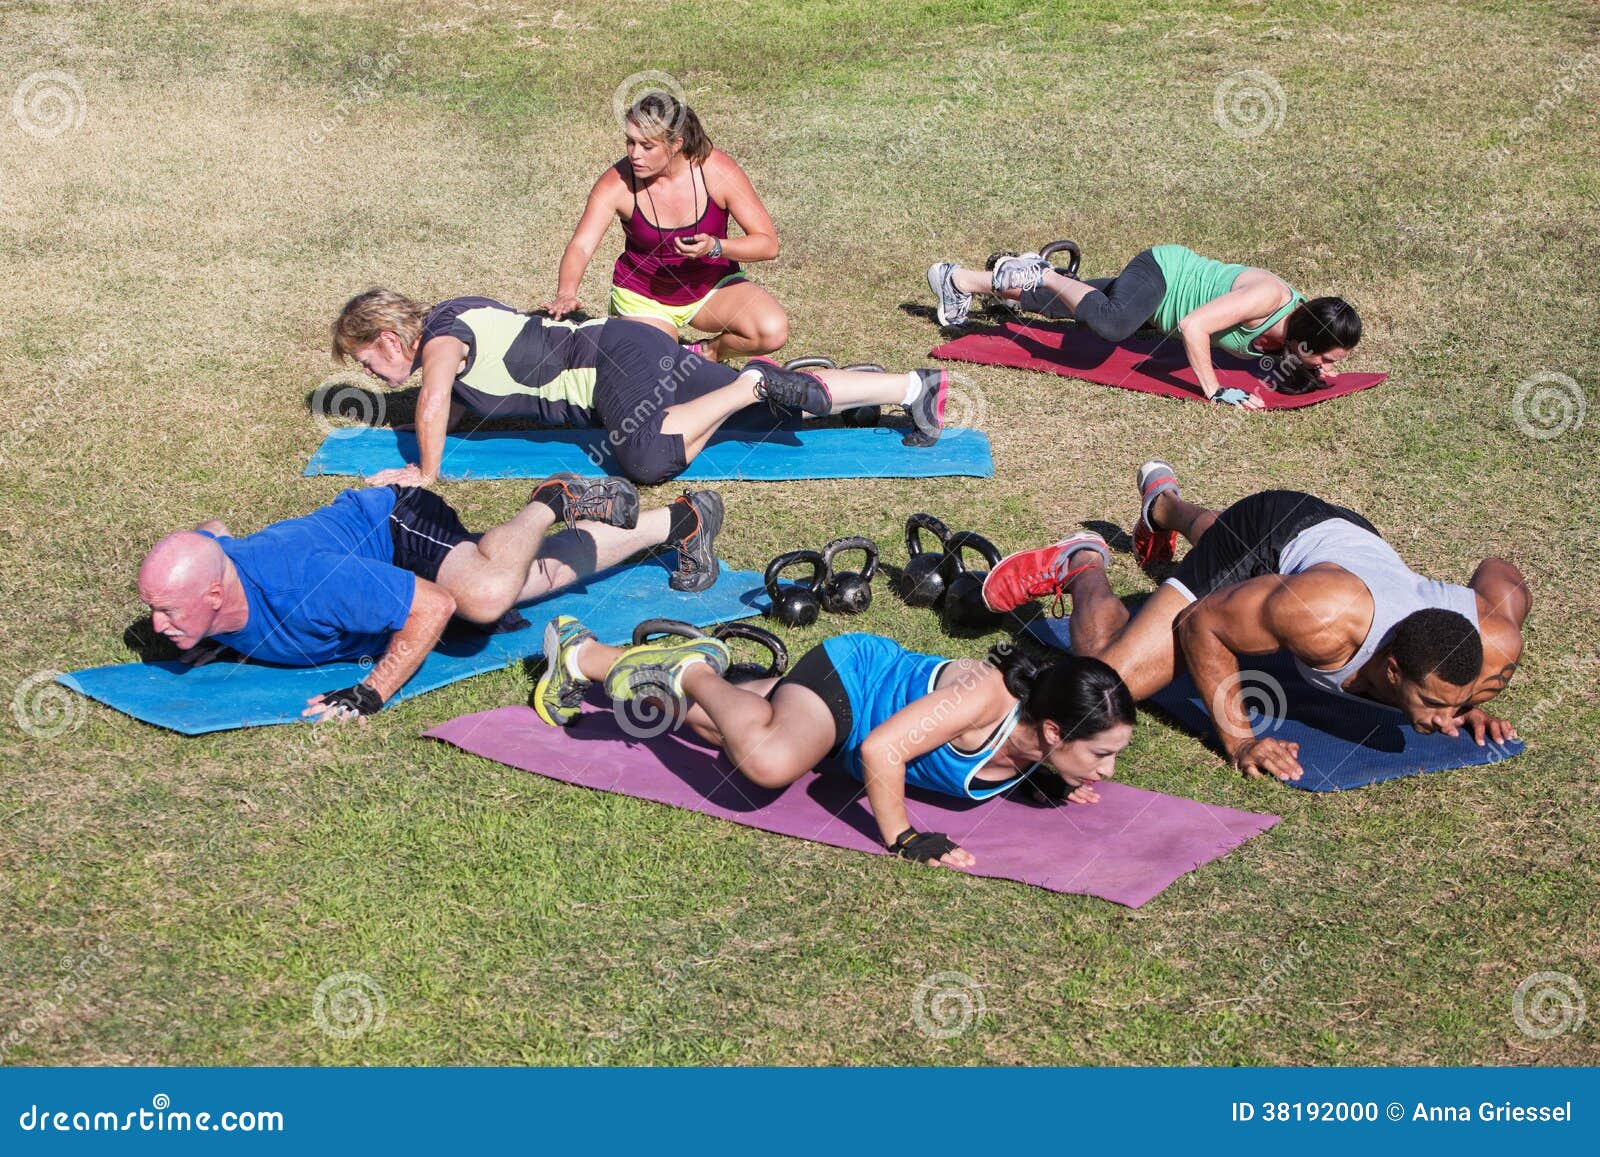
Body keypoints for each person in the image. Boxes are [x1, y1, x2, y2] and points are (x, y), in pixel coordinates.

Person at [980, 462, 1530, 781]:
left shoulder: (1494, 645)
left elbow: (1501, 572)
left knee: (1254, 590)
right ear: (1390, 668)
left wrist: (1468, 700)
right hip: (1272, 532)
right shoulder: (1322, 620)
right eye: (1433, 703)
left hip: (1344, 546)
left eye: (1452, 704)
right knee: (1107, 680)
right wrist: (1241, 741)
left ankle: (1164, 506)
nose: (1445, 718)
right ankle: (1081, 563)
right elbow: (1204, 625)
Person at [531, 618, 1135, 868]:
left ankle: (579, 653)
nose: (1106, 769)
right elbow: (882, 751)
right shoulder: (980, 697)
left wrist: (1051, 776)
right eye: (1101, 753)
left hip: (837, 733)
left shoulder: (1038, 744)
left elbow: (1018, 754)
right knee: (767, 761)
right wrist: (902, 836)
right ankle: (691, 667)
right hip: (850, 682)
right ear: (1054, 730)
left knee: (701, 723)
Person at [136, 475, 724, 721]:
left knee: (485, 597)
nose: (158, 625)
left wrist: (371, 692)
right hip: (369, 563)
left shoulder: (302, 586)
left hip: (398, 524)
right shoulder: (216, 587)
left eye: (169, 610)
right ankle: (678, 522)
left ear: (215, 591)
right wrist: (205, 630)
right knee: (524, 581)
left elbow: (431, 607)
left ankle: (550, 499)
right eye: (157, 609)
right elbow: (212, 532)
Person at [331, 289, 950, 486]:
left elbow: (437, 398)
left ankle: (752, 385)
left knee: (647, 459)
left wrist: (425, 472)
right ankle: (906, 387)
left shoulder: (440, 344)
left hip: (616, 367)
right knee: (778, 421)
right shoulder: (456, 311)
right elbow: (462, 402)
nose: (371, 377)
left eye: (366, 363)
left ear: (390, 337)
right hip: (633, 348)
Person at [927, 244, 1362, 408]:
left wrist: (1317, 367)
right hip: (1162, 272)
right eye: (1323, 356)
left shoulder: (1305, 337)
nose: (1323, 365)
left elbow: (1309, 354)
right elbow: (1194, 327)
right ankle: (1044, 272)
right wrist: (1214, 389)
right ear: (1304, 338)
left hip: (1155, 309)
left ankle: (959, 279)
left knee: (1066, 309)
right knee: (1112, 326)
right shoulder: (1265, 299)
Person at [545, 90, 786, 361]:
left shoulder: (715, 170)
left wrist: (716, 247)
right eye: (630, 142)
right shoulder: (617, 183)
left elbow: (768, 244)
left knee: (771, 330)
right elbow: (582, 245)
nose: (634, 154)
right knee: (660, 364)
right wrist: (566, 292)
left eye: (646, 146)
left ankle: (708, 353)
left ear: (676, 145)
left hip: (711, 288)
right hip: (643, 297)